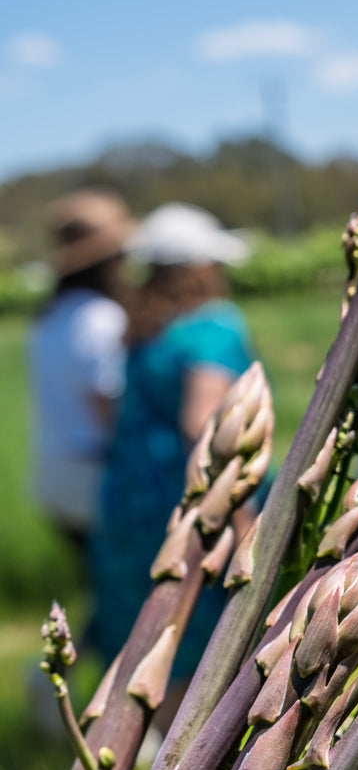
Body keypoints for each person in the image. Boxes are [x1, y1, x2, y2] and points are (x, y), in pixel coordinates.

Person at [91, 203, 255, 684]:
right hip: (186, 504)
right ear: (202, 267)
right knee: (200, 643)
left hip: (127, 499)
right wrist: (242, 519)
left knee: (145, 635)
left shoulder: (144, 327)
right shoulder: (214, 325)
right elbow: (202, 422)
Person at [29, 190, 135, 550]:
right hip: (93, 480)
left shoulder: (50, 316)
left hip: (54, 474)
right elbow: (107, 405)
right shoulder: (101, 318)